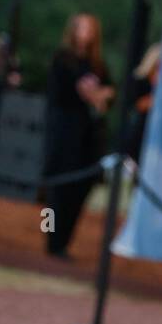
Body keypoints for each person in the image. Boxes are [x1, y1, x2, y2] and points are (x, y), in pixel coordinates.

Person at [41, 13, 114, 259]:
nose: (86, 32)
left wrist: (98, 96)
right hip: (64, 137)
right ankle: (51, 240)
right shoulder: (62, 60)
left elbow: (109, 95)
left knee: (80, 190)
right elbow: (66, 95)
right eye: (82, 27)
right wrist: (94, 96)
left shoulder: (98, 65)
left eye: (90, 28)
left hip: (88, 138)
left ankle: (63, 242)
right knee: (58, 190)